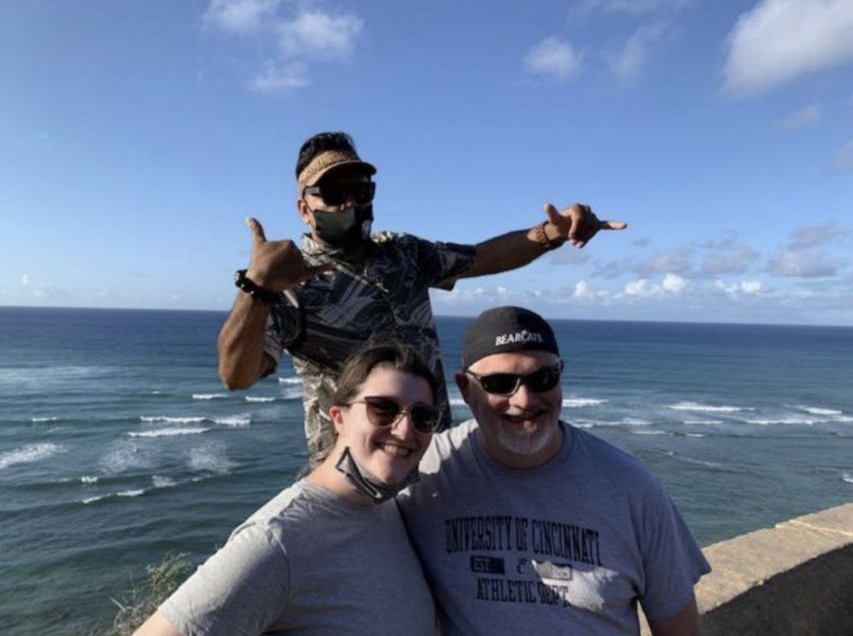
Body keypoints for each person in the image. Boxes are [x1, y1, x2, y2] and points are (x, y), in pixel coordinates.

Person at [217, 131, 627, 465]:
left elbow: (482, 257)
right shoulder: (289, 280)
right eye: (332, 191)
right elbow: (236, 375)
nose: (350, 203)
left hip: (434, 459)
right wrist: (256, 288)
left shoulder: (402, 252)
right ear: (304, 209)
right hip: (356, 474)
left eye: (360, 190)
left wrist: (549, 234)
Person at [397, 306, 711, 636]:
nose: (524, 400)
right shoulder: (424, 471)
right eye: (500, 383)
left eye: (542, 379)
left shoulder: (633, 489)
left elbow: (680, 629)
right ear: (464, 388)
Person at [133, 344, 443, 636]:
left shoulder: (387, 508)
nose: (404, 430)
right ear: (339, 418)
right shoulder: (277, 539)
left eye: (422, 417)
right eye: (383, 409)